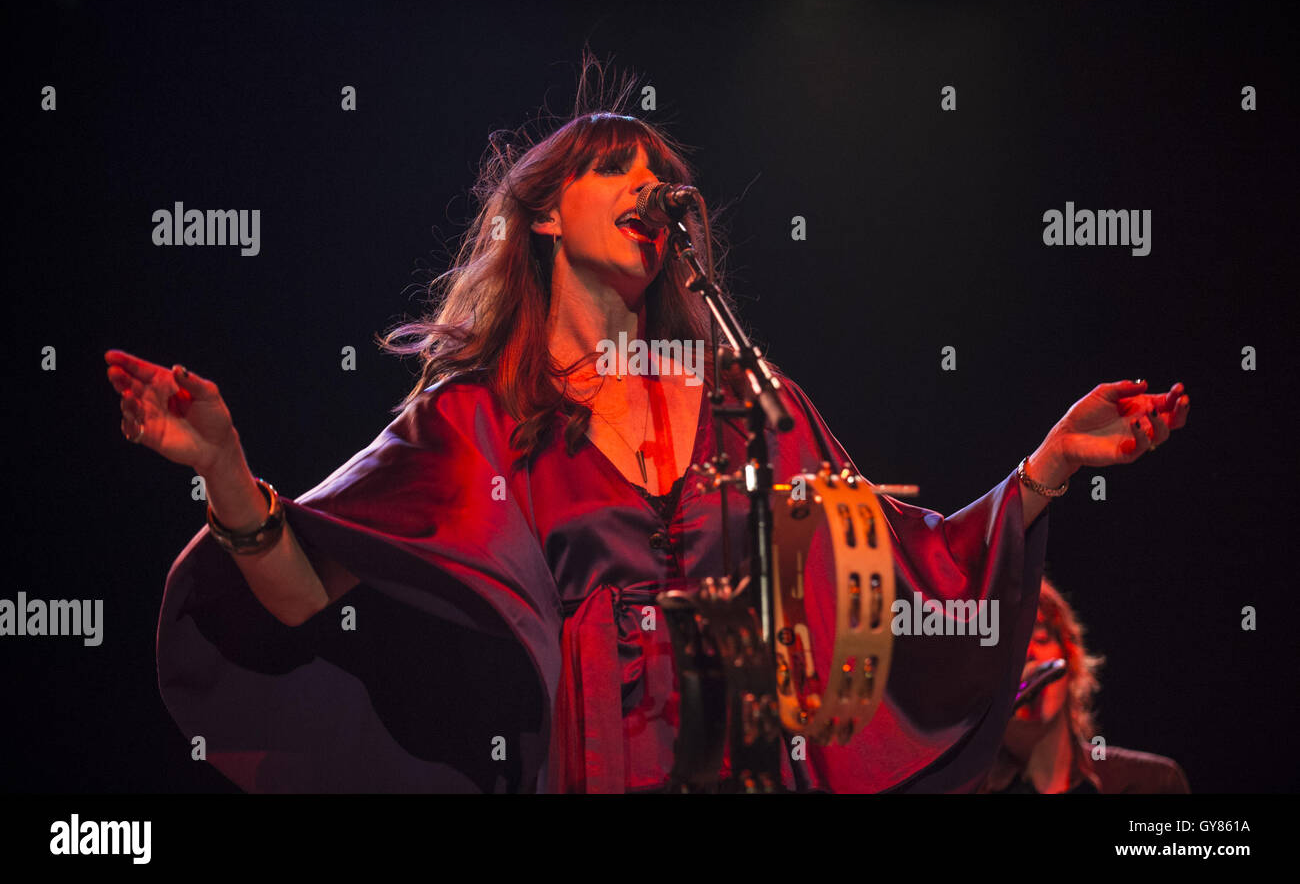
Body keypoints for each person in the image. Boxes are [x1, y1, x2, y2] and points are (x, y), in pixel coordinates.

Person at [104, 56, 1191, 793]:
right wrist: (223, 462)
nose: (651, 184)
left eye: (664, 175)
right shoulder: (477, 414)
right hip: (594, 754)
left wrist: (1047, 468)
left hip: (754, 754)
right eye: (616, 167)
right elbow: (298, 588)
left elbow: (904, 571)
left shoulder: (743, 396)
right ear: (540, 213)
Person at [978, 577, 1191, 793]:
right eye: (1006, 648)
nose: (1027, 654)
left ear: (1070, 659)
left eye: (1041, 637)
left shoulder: (1151, 782)